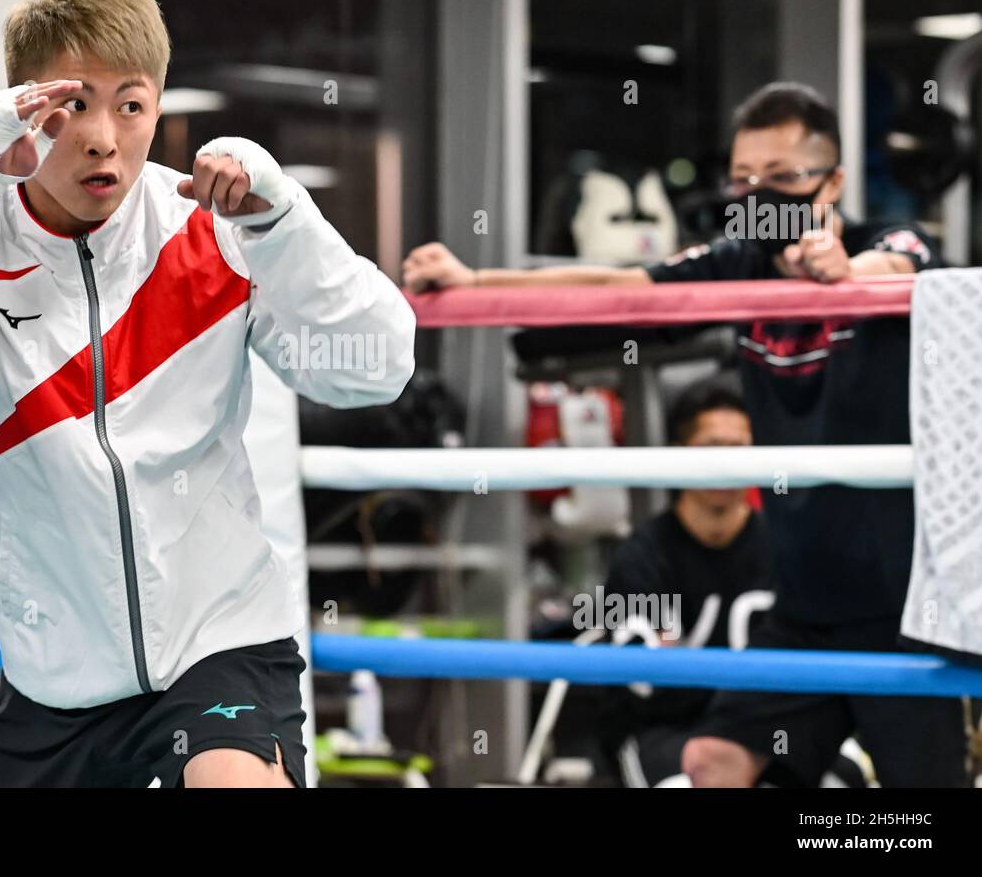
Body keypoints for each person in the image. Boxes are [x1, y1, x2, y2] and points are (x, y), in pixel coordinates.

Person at [0, 0, 415, 788]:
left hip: (220, 649)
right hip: (54, 685)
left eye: (131, 105)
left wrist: (290, 224)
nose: (103, 135)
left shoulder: (214, 234)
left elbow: (381, 368)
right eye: (74, 104)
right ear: (25, 108)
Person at [405, 82, 968, 787]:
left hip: (904, 608)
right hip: (805, 607)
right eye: (744, 180)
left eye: (783, 179)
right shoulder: (740, 263)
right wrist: (475, 280)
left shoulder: (885, 242)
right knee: (713, 761)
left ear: (833, 182)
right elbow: (626, 287)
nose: (759, 195)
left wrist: (846, 274)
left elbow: (906, 264)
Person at [603, 381, 772, 787]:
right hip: (667, 734)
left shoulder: (784, 549)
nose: (727, 464)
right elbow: (642, 688)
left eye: (740, 450)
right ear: (680, 455)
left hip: (762, 729)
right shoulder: (642, 558)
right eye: (712, 448)